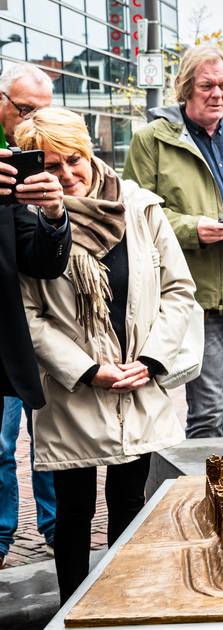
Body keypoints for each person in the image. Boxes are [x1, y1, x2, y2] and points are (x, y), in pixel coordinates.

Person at [15, 108, 195, 602]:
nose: (66, 175)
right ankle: (75, 606)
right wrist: (87, 370)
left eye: (73, 159)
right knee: (72, 513)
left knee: (129, 504)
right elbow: (27, 315)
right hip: (73, 389)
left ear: (89, 150)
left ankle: (124, 602)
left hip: (137, 383)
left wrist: (153, 360)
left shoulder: (139, 206)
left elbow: (178, 290)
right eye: (50, 166)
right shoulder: (27, 223)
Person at [124, 45, 223, 439]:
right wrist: (193, 229)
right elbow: (135, 213)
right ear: (186, 88)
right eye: (207, 85)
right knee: (208, 411)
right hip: (195, 296)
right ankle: (203, 496)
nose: (217, 94)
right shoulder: (152, 140)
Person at [0, 62, 58, 568]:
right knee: (2, 443)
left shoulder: (43, 156)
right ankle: (1, 539)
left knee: (49, 440)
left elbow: (40, 257)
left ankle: (57, 529)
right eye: (22, 110)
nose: (28, 123)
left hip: (34, 326)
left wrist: (55, 215)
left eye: (41, 112)